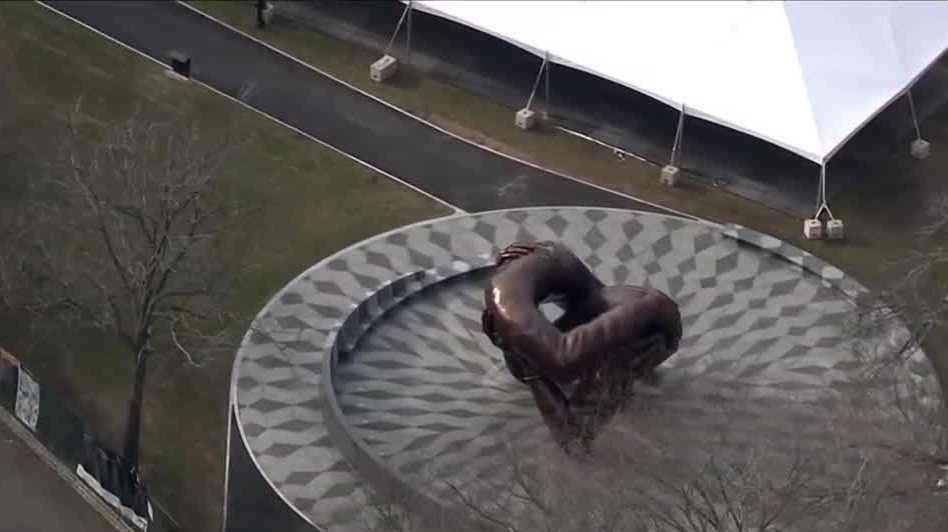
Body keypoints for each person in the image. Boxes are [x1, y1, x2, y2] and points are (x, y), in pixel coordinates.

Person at [481, 241, 682, 454]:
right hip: (629, 306)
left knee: (573, 434)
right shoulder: (533, 275)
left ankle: (648, 320)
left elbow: (561, 363)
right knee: (543, 367)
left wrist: (648, 308)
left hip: (646, 316)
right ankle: (647, 323)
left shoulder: (514, 311)